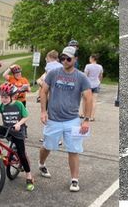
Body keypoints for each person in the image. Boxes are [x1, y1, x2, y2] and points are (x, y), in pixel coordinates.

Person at [37, 47, 93, 193]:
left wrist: (86, 120)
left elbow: (88, 97)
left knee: (73, 150)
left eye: (68, 58)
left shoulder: (81, 77)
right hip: (53, 119)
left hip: (72, 120)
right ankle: (41, 163)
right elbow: (43, 91)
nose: (65, 61)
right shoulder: (53, 73)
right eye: (63, 58)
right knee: (48, 146)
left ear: (75, 59)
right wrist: (43, 111)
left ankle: (75, 180)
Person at [0, 82, 35, 192]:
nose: (3, 99)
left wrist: (19, 124)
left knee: (22, 154)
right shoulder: (2, 106)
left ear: (13, 96)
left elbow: (26, 116)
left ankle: (29, 175)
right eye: (1, 97)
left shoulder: (18, 104)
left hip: (17, 131)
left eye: (5, 97)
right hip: (7, 129)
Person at [82, 55, 104, 121]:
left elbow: (85, 76)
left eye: (90, 58)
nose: (89, 59)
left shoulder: (88, 66)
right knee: (94, 101)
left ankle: (85, 115)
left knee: (85, 100)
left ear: (92, 58)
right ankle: (92, 116)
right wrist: (99, 82)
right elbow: (100, 76)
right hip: (96, 84)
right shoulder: (100, 66)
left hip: (88, 84)